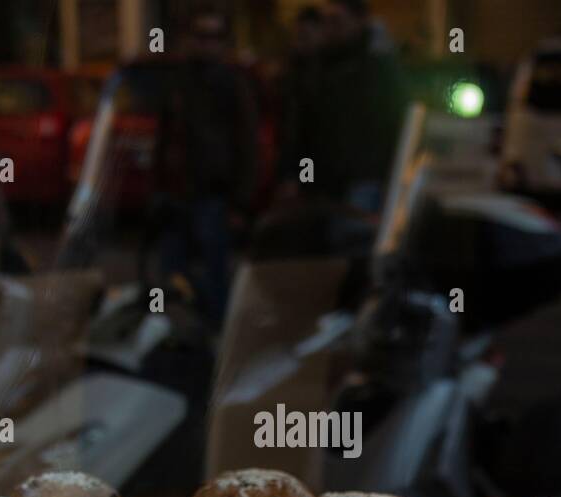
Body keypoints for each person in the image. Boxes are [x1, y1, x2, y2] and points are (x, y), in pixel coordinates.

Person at [153, 8, 258, 325]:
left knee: (214, 270)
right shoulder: (179, 80)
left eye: (213, 37)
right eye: (200, 36)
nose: (205, 44)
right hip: (176, 192)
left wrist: (240, 200)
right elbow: (165, 135)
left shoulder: (231, 84)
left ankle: (216, 331)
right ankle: (177, 325)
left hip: (212, 192)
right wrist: (157, 185)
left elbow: (247, 144)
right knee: (172, 268)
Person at [277, 0, 407, 212]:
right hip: (322, 188)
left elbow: (392, 127)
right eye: (326, 21)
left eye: (336, 20)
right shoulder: (318, 68)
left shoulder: (377, 70)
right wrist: (300, 179)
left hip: (362, 184)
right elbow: (304, 130)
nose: (329, 28)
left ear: (359, 22)